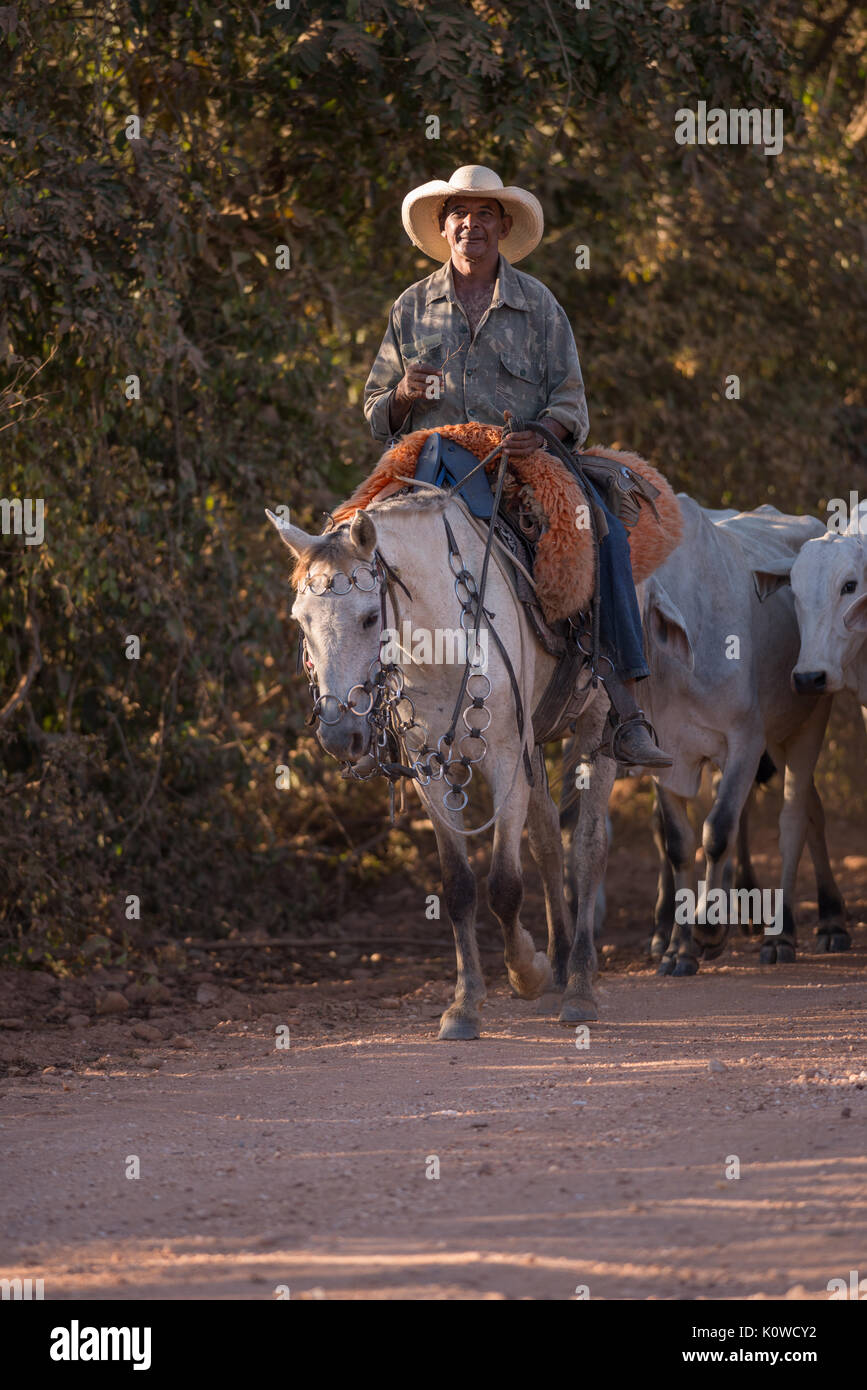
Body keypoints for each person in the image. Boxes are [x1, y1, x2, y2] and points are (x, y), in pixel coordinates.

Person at [363, 164, 671, 769]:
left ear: (502, 226)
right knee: (357, 554)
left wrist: (541, 432)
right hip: (433, 467)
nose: (470, 225)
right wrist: (402, 395)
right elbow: (376, 410)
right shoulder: (410, 308)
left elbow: (570, 400)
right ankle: (374, 714)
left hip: (521, 462)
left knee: (597, 530)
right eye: (459, 214)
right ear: (443, 225)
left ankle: (626, 708)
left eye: (483, 215)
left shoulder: (539, 305)